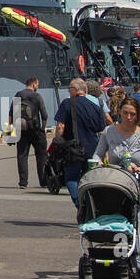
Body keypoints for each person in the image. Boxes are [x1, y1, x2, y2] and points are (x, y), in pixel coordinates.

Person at [91, 97, 140, 255]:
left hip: (137, 186)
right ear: (119, 112)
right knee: (117, 225)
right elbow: (98, 154)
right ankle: (120, 258)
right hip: (115, 185)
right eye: (125, 113)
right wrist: (96, 163)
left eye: (132, 114)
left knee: (137, 225)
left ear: (137, 115)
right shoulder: (109, 132)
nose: (128, 117)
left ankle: (138, 262)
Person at [53, 77, 106, 206]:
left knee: (71, 177)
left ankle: (80, 205)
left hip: (73, 148)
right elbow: (101, 130)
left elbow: (60, 126)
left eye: (69, 89)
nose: (68, 91)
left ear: (76, 89)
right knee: (89, 179)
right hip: (92, 149)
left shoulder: (67, 103)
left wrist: (57, 143)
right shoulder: (96, 105)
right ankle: (91, 205)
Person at [9, 76, 47, 189]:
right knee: (41, 156)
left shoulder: (18, 95)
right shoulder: (37, 96)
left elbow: (11, 114)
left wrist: (10, 133)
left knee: (22, 156)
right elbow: (44, 116)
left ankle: (23, 182)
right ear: (34, 84)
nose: (38, 86)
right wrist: (42, 129)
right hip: (36, 130)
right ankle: (43, 181)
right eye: (37, 84)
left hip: (21, 130)